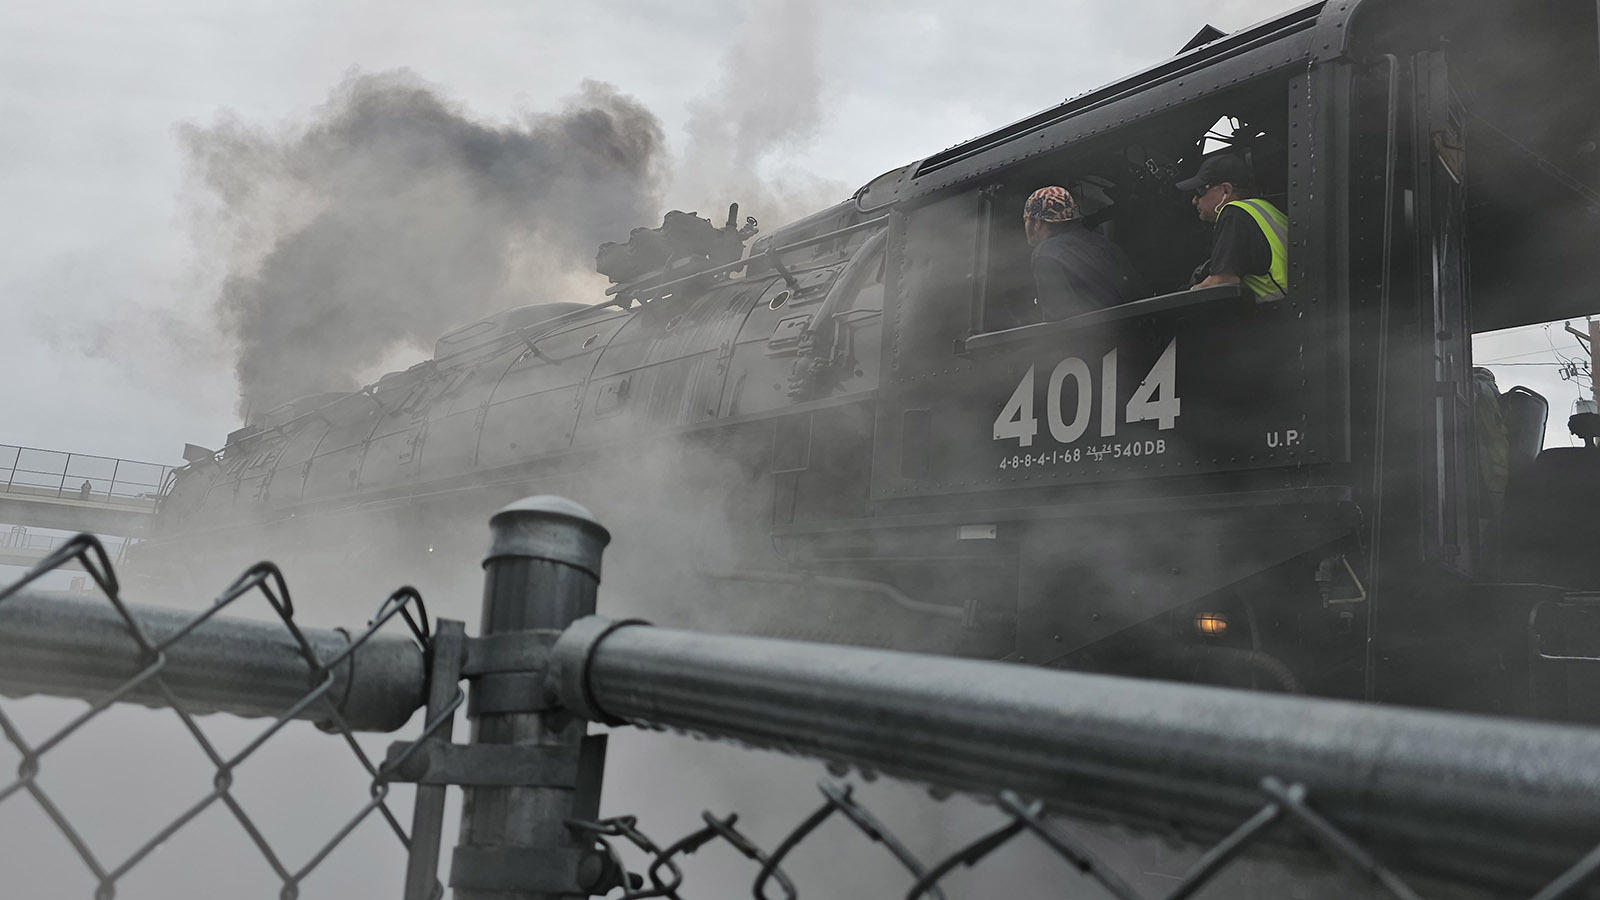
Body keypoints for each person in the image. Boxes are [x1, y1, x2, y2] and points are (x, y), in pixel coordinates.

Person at [1023, 186, 1147, 321]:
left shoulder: (1045, 253)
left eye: (1026, 219)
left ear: (1037, 223)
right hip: (1135, 335)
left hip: (1098, 339)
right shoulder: (1105, 243)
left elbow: (1058, 318)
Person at [1176, 154, 1288, 299]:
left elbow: (1222, 281)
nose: (1194, 200)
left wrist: (1189, 292)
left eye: (1200, 191)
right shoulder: (1264, 210)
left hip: (1277, 315)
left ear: (1226, 191)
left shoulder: (1234, 213)